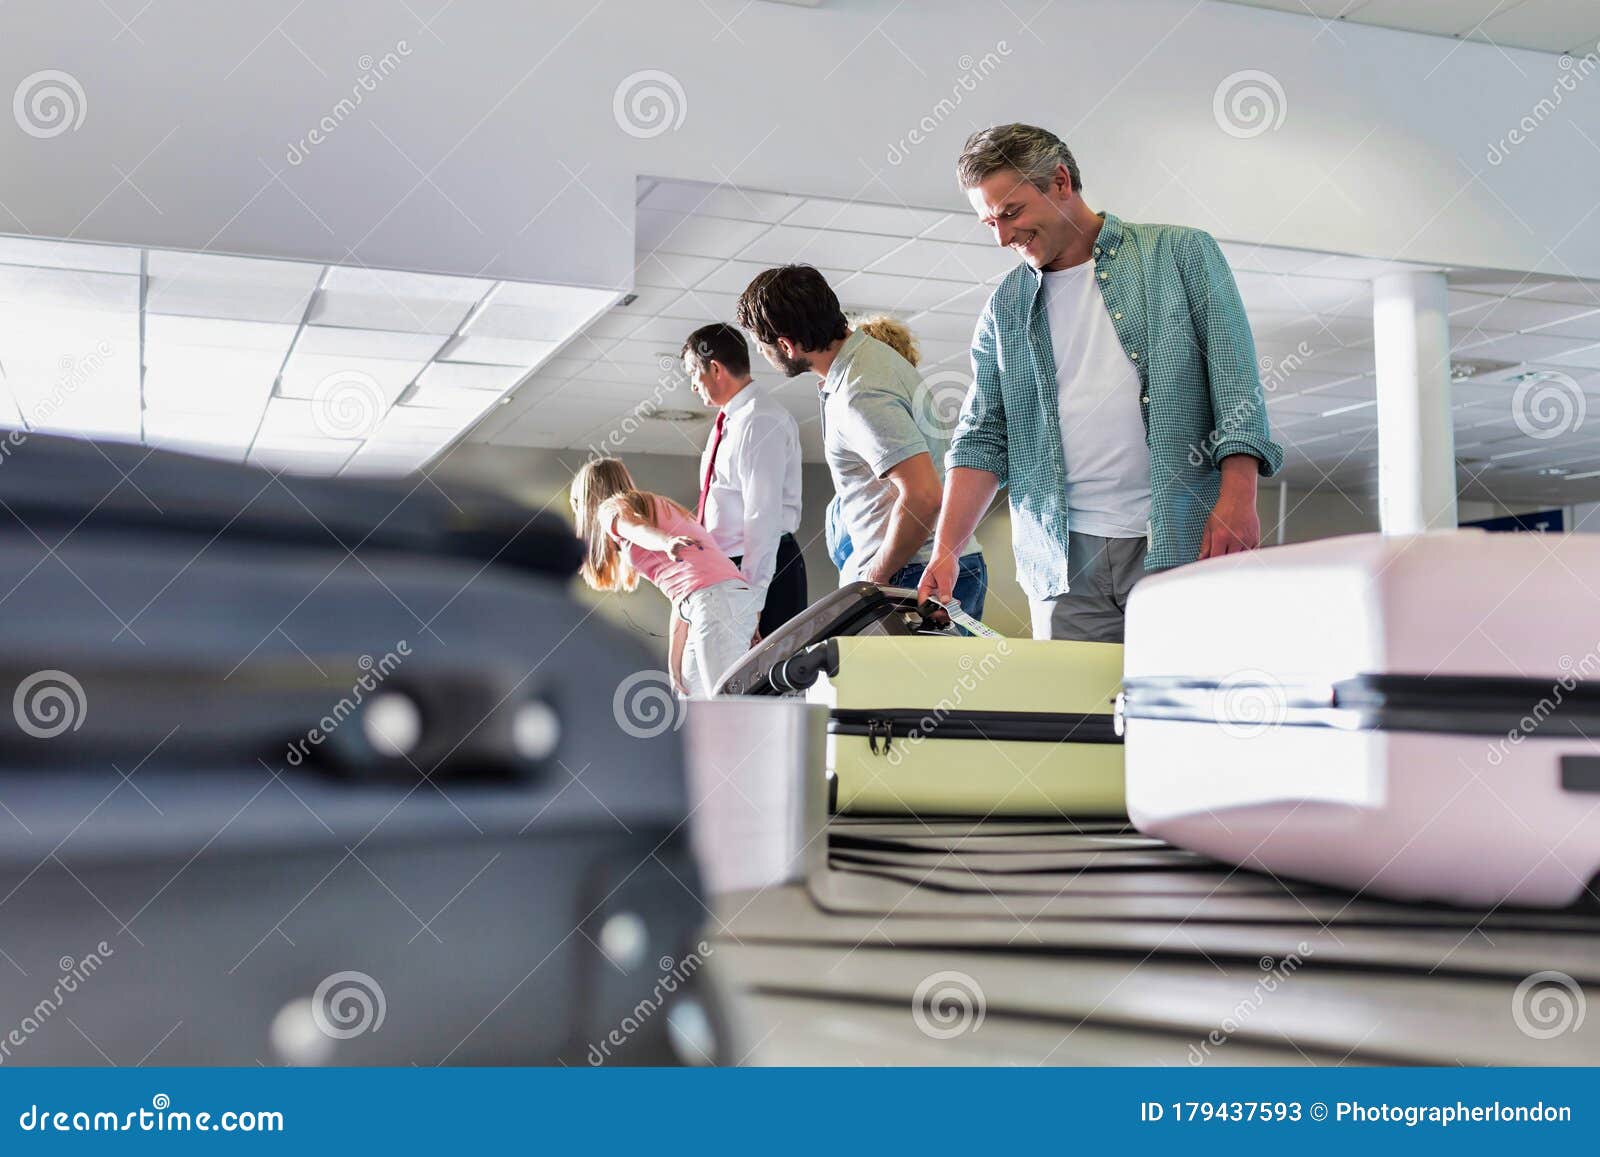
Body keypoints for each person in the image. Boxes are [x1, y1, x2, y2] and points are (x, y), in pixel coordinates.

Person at [918, 123, 1283, 642]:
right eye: (988, 223)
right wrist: (947, 548)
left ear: (1060, 181)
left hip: (1180, 536)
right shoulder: (1005, 306)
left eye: (1012, 213)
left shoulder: (1180, 255)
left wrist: (1239, 497)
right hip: (1060, 560)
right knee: (1073, 718)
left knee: (1177, 713)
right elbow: (981, 437)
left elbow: (1236, 381)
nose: (1001, 236)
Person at [735, 268, 988, 618]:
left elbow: (923, 495)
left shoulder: (860, 389)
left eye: (763, 348)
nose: (764, 356)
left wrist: (873, 578)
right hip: (925, 567)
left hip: (912, 575)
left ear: (786, 345)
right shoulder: (871, 363)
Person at [569, 457, 761, 697]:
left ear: (588, 499)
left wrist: (665, 542)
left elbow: (637, 529)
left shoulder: (611, 509)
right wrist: (674, 661)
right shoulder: (656, 506)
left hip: (715, 600)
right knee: (690, 698)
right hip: (712, 600)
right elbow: (682, 595)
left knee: (722, 702)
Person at [680, 322, 806, 641]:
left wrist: (752, 599)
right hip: (732, 566)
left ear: (715, 368)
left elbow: (761, 516)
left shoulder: (758, 420)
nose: (693, 387)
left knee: (762, 684)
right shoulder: (731, 420)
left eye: (693, 375)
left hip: (762, 568)